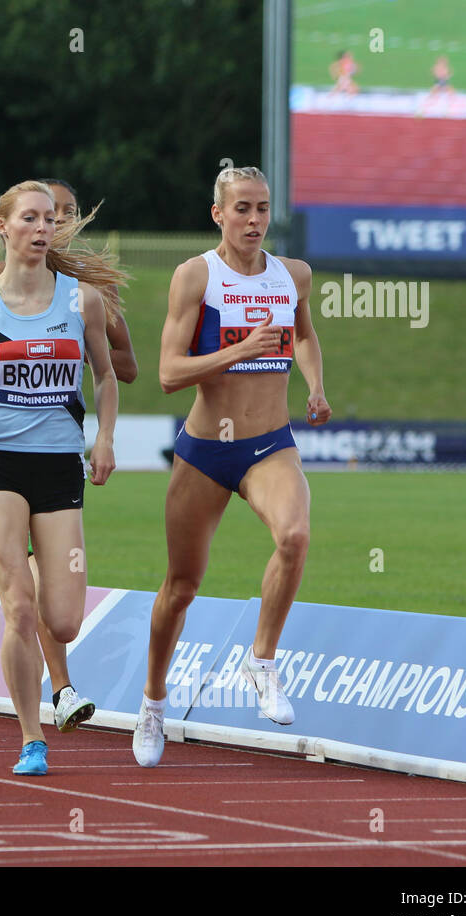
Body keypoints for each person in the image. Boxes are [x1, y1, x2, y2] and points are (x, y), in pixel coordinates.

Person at [132, 166, 332, 768]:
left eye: (263, 208)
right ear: (217, 213)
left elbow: (303, 334)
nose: (254, 220)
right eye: (242, 208)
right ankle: (153, 703)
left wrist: (315, 385)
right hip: (205, 449)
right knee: (181, 588)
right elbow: (168, 373)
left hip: (270, 442)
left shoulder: (292, 274)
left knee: (295, 535)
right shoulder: (196, 276)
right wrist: (238, 350)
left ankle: (263, 661)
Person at [0, 180, 122, 775]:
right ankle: (31, 736)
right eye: (30, 219)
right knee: (18, 607)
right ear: (3, 227)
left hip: (60, 466)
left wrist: (105, 437)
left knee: (63, 618)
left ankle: (5, 558)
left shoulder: (81, 301)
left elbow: (108, 375)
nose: (42, 229)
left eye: (50, 221)